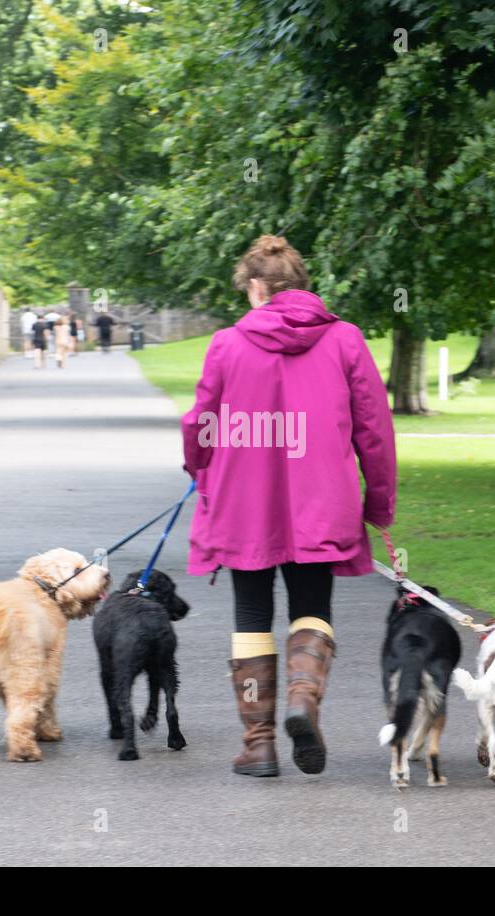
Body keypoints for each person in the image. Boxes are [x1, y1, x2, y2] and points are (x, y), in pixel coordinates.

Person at [180, 234, 396, 778]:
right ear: (299, 284)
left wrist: (198, 464)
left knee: (251, 616)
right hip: (322, 499)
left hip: (243, 502)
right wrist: (379, 500)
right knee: (311, 608)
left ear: (256, 287)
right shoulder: (346, 339)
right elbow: (375, 428)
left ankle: (259, 745)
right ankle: (304, 697)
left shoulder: (227, 344)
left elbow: (200, 420)